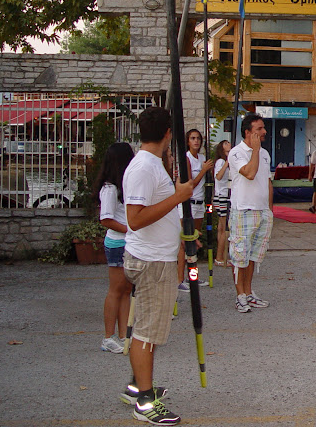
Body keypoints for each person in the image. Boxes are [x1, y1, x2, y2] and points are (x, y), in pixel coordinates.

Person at [120, 106, 193, 425]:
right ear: (168, 134)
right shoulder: (143, 168)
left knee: (149, 329)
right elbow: (134, 219)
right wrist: (177, 198)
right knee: (147, 332)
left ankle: (138, 386)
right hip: (151, 262)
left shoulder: (151, 164)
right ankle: (145, 402)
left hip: (156, 257)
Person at [228, 113, 273, 313]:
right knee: (240, 256)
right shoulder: (236, 153)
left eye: (263, 128)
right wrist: (254, 150)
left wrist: (269, 210)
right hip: (243, 210)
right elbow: (250, 173)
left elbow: (267, 181)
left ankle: (248, 292)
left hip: (262, 210)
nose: (264, 132)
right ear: (248, 132)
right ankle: (240, 296)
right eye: (259, 129)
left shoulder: (264, 153)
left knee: (253, 255)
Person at [95, 141, 135, 354]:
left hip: (126, 241)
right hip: (118, 242)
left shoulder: (123, 186)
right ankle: (108, 336)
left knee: (126, 290)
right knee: (116, 290)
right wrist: (130, 229)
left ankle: (124, 334)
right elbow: (106, 219)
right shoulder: (110, 189)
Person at [176, 129, 214, 291]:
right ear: (188, 141)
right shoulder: (187, 159)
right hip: (188, 203)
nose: (196, 141)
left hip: (199, 204)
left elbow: (207, 182)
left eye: (198, 138)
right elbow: (190, 183)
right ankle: (179, 279)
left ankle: (193, 275)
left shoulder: (203, 159)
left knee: (195, 240)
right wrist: (204, 170)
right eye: (192, 138)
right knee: (184, 242)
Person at [213, 140, 231, 266]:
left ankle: (220, 255)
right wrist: (227, 162)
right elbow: (218, 176)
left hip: (221, 195)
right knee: (224, 227)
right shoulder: (221, 162)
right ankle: (220, 256)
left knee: (221, 227)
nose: (228, 144)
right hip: (222, 196)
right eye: (225, 143)